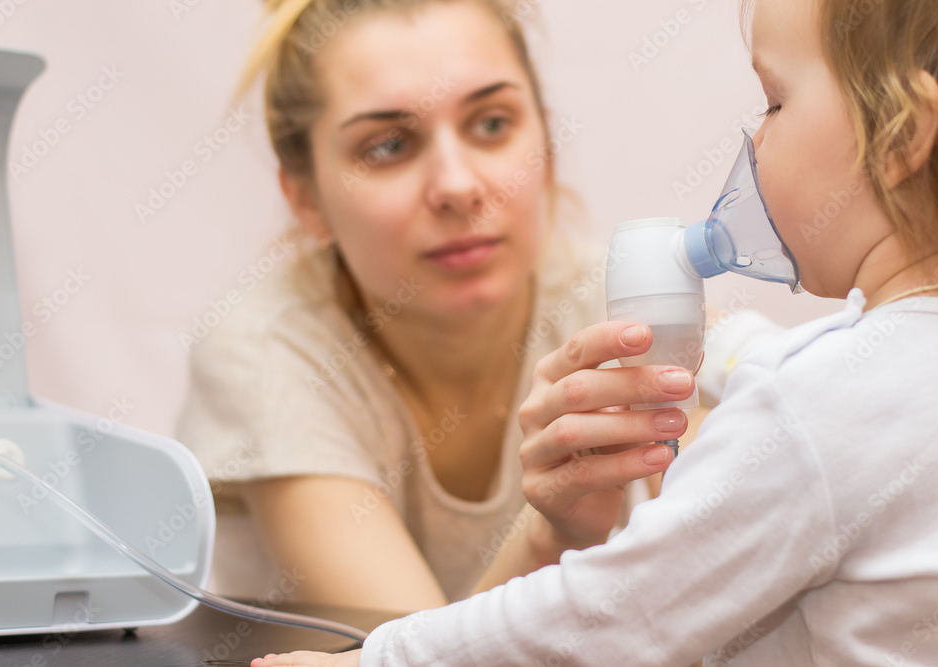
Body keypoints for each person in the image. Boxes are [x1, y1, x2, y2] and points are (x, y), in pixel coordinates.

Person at [249, 0, 938, 663]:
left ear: (899, 134)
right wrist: (722, 351)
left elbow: (612, 614)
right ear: (301, 194)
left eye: (774, 101)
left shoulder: (808, 409)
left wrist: (380, 657)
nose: (757, 138)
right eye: (391, 143)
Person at [176, 0, 699, 613]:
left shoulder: (623, 317)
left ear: (548, 148)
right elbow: (404, 655)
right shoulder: (265, 356)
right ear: (307, 198)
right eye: (389, 145)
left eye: (492, 124)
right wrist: (552, 534)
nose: (457, 186)